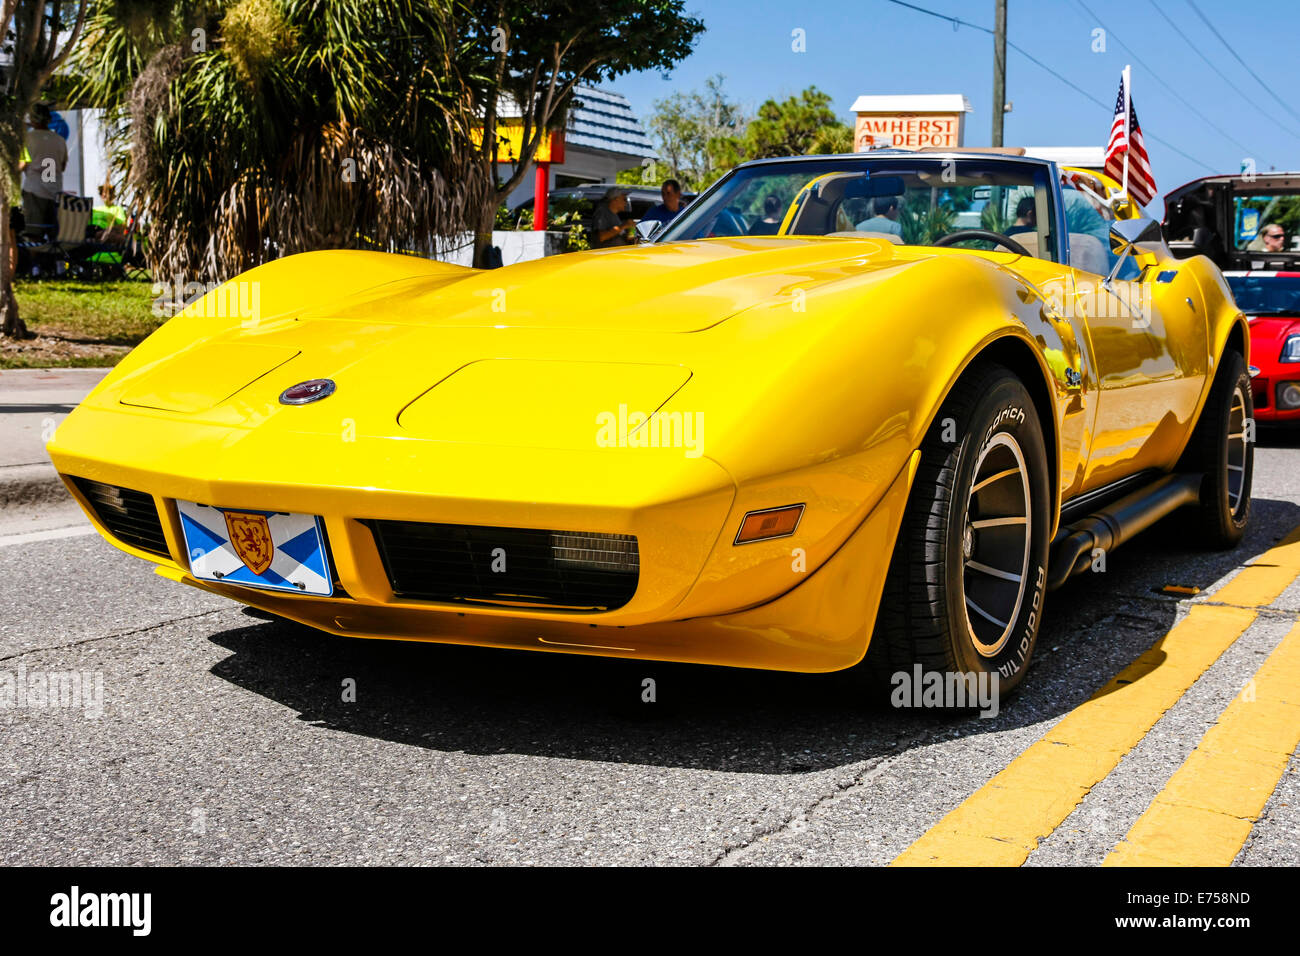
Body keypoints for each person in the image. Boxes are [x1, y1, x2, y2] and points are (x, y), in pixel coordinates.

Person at [21, 103, 67, 237]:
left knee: (33, 234)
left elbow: (22, 164)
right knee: (53, 235)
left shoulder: (29, 139)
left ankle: (35, 257)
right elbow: (63, 166)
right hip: (54, 192)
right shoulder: (59, 140)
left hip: (34, 192)